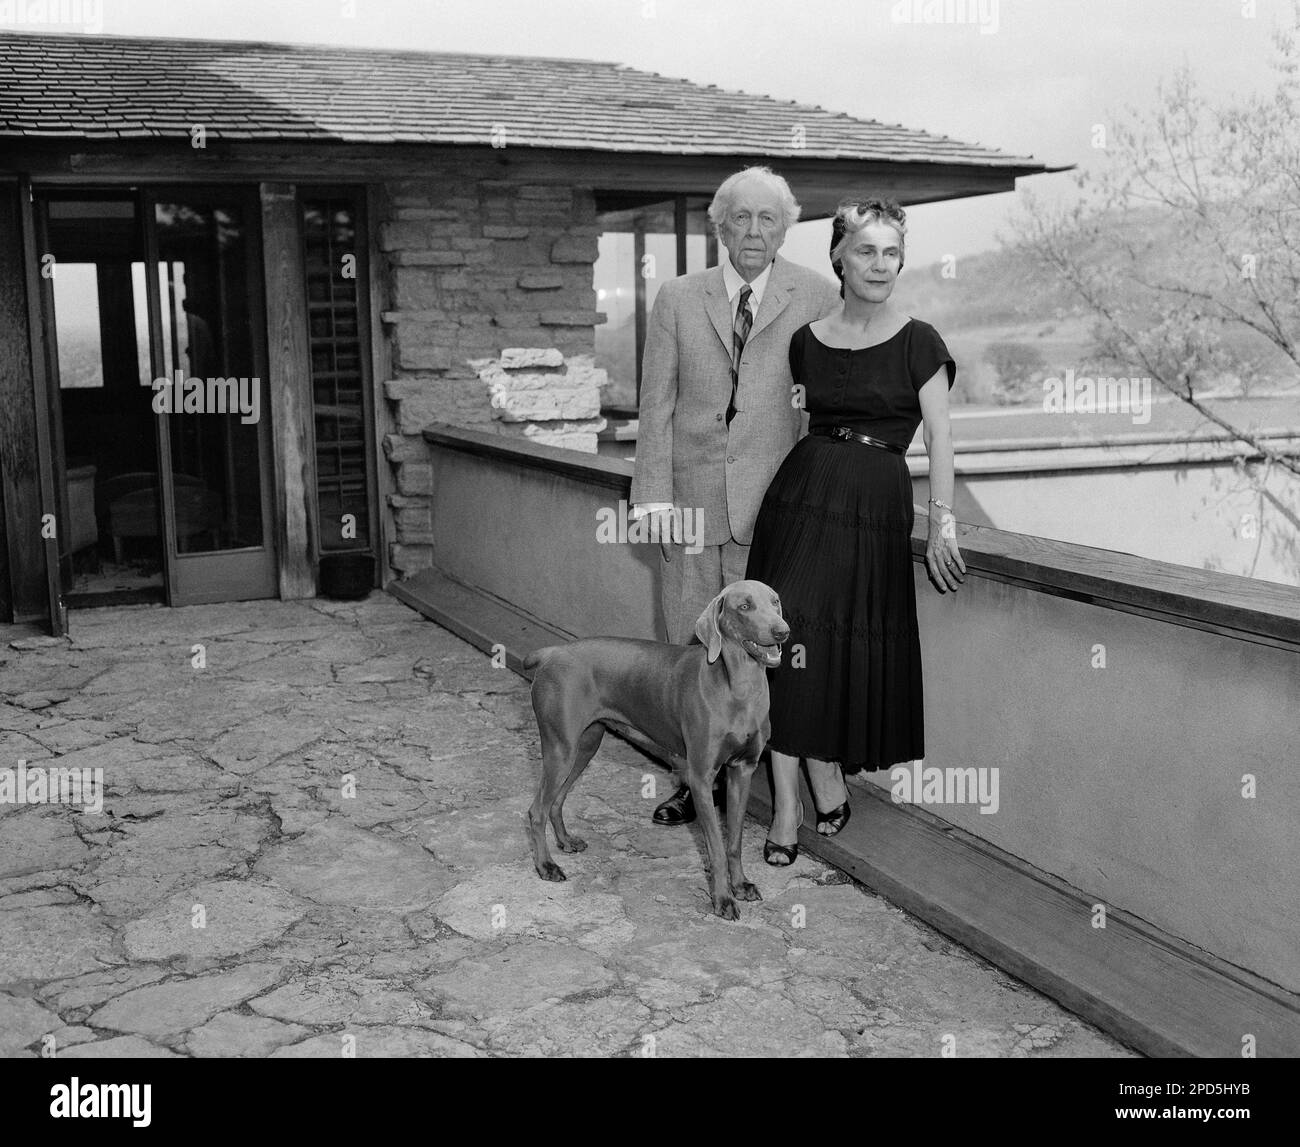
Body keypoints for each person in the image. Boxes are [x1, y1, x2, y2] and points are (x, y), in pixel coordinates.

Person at [745, 197, 966, 864]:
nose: (879, 263)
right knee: (784, 633)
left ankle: (824, 776)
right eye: (865, 250)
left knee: (828, 644)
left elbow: (942, 438)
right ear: (838, 256)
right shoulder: (805, 342)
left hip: (874, 503)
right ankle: (791, 803)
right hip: (801, 497)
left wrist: (943, 523)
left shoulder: (920, 339)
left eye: (891, 252)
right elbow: (791, 424)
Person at [631, 165, 841, 825]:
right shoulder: (677, 297)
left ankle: (757, 781)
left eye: (767, 219)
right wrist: (653, 501)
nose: (754, 231)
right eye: (741, 218)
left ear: (785, 228)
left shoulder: (815, 295)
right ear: (720, 225)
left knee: (762, 654)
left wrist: (820, 504)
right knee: (690, 646)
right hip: (688, 507)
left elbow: (824, 409)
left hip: (772, 512)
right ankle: (689, 776)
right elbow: (654, 406)